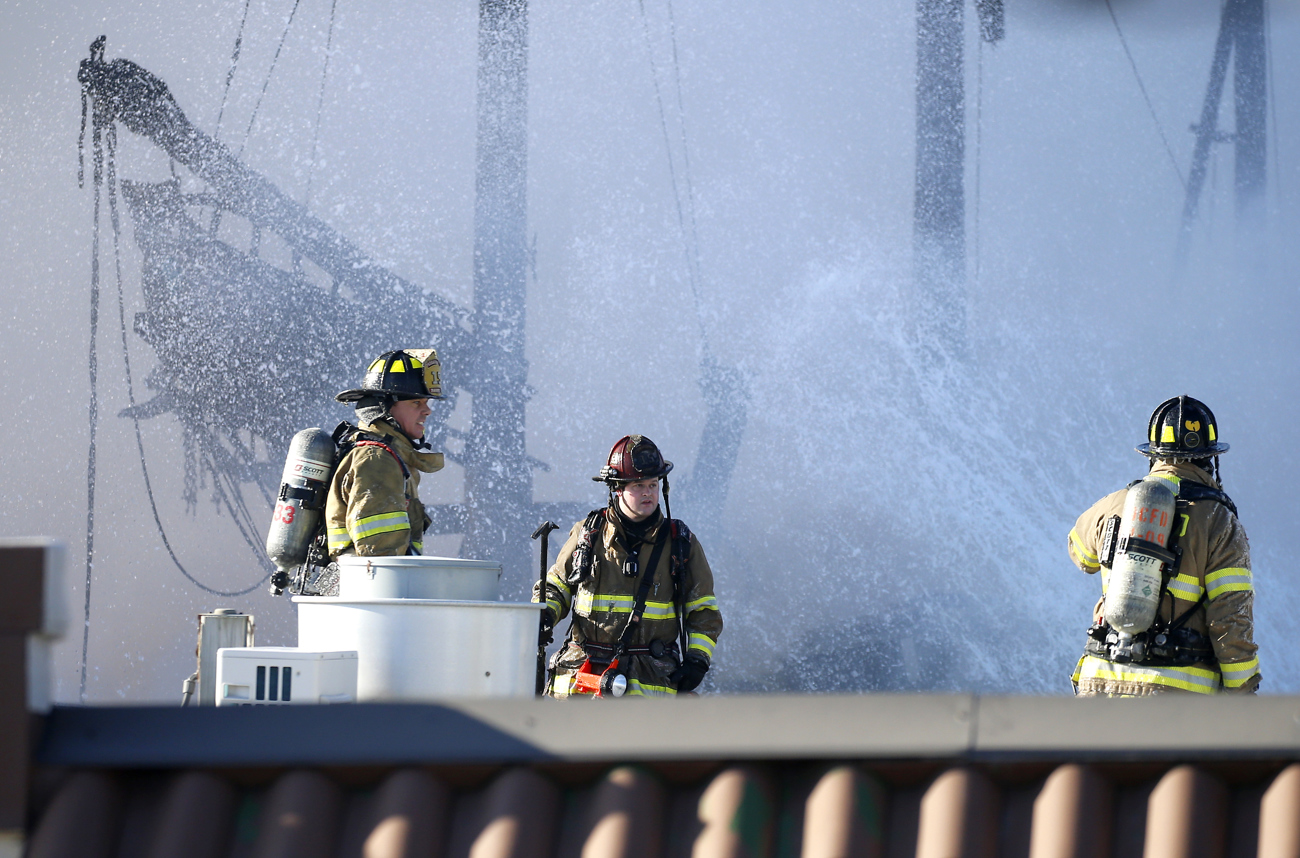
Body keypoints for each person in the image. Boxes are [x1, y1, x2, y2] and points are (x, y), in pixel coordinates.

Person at [1067, 395, 1259, 696]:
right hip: (1174, 698)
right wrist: (1242, 694)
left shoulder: (1116, 504)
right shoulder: (1218, 521)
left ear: (1153, 455)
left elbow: (1080, 554)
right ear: (1210, 458)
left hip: (1100, 684)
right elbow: (1231, 619)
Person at [536, 435, 722, 697]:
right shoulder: (587, 535)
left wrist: (697, 660)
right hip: (583, 685)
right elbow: (557, 587)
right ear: (617, 489)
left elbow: (703, 610)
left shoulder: (680, 543)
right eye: (638, 485)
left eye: (653, 484)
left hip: (649, 687)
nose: (648, 492)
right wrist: (542, 616)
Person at [326, 349, 445, 559]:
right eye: (416, 402)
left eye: (426, 403)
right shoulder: (377, 460)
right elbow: (381, 558)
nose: (427, 411)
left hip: (366, 586)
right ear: (386, 408)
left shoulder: (388, 456)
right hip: (372, 588)